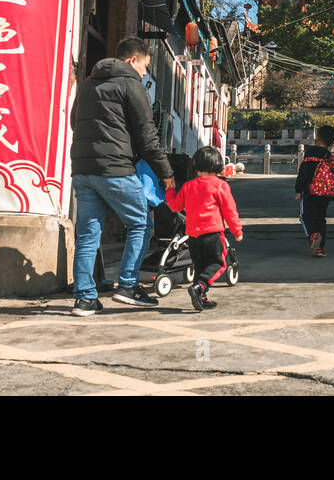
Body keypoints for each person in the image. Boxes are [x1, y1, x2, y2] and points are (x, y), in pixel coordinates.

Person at [69, 37, 174, 317]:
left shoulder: (89, 83)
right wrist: (166, 173)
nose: (145, 72)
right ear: (132, 61)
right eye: (145, 66)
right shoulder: (132, 85)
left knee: (88, 234)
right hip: (115, 169)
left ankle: (85, 299)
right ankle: (128, 285)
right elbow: (147, 137)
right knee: (141, 223)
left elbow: (73, 120)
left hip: (82, 169)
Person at [166, 146, 244, 312]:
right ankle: (200, 287)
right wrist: (237, 231)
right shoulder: (220, 186)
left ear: (196, 166)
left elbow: (175, 206)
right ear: (217, 165)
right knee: (218, 263)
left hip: (193, 236)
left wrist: (170, 191)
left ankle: (201, 297)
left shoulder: (188, 186)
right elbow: (230, 211)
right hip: (213, 233)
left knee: (200, 267)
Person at [295, 124, 334, 257]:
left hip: (310, 192)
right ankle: (320, 248)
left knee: (305, 216)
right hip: (325, 194)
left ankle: (313, 235)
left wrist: (298, 189)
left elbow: (303, 172)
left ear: (318, 138)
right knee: (321, 219)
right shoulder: (329, 156)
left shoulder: (310, 153)